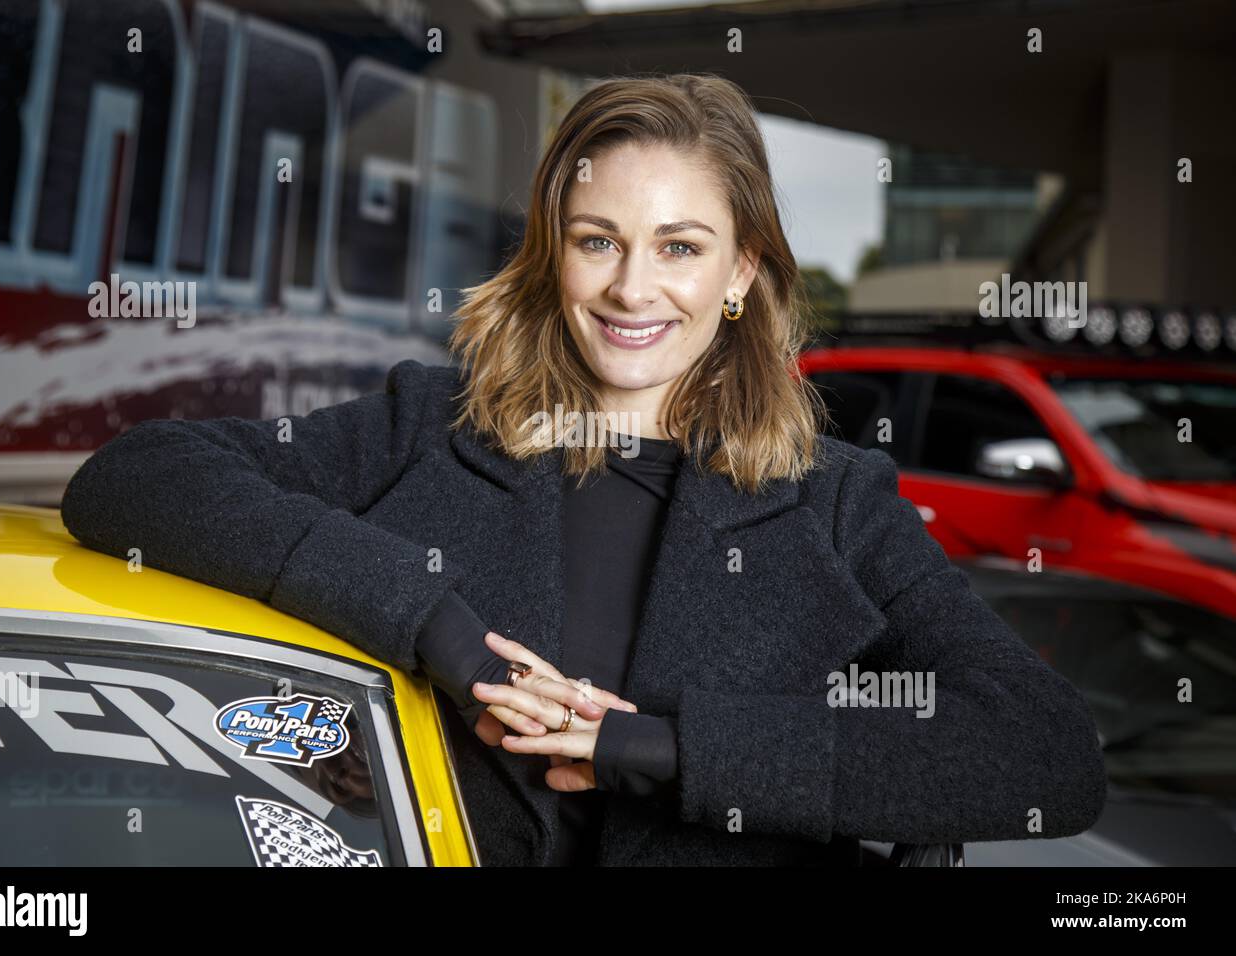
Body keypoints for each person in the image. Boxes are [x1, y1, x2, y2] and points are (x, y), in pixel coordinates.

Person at [60, 72, 1107, 866]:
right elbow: (134, 476)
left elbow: (1048, 752)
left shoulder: (833, 501)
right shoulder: (429, 427)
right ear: (549, 250)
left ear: (742, 270)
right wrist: (437, 630)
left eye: (681, 247)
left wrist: (661, 748)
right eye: (596, 239)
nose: (631, 288)